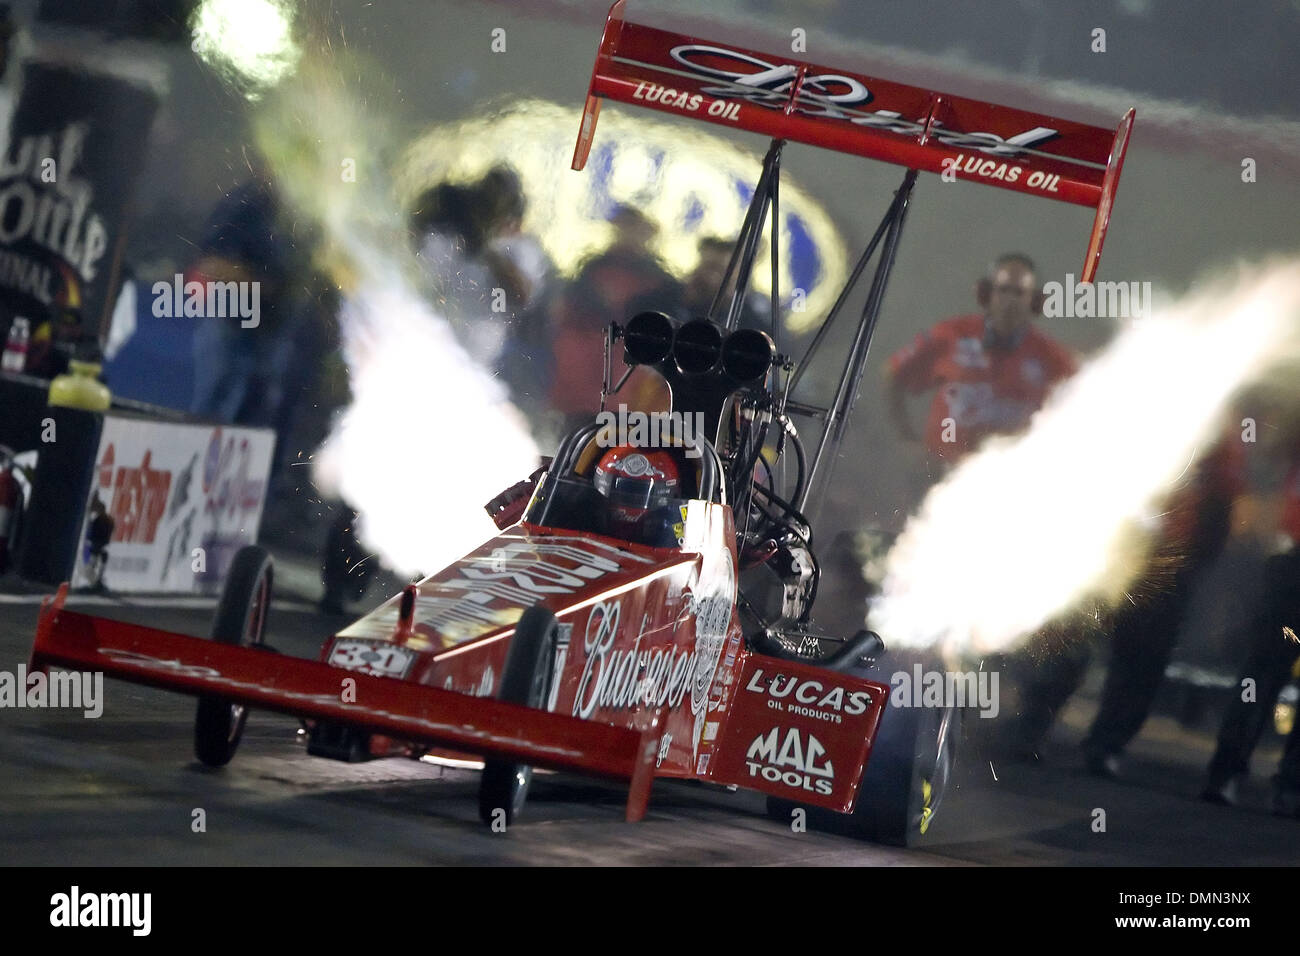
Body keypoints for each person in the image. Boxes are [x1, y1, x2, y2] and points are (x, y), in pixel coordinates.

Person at [886, 252, 1078, 469]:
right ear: (986, 294)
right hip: (938, 465)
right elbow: (895, 373)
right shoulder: (951, 335)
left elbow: (1083, 406)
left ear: (1035, 301)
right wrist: (906, 438)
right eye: (1003, 290)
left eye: (1020, 293)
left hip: (1007, 474)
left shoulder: (1051, 358)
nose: (1010, 301)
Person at [1202, 440, 1300, 816]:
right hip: (1292, 564)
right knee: (1261, 676)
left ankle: (1240, 776)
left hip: (1288, 562)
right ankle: (1233, 773)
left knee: (1260, 677)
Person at [593, 444, 687, 548]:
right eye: (626, 491)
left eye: (639, 493)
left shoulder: (676, 532)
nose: (631, 495)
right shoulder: (586, 519)